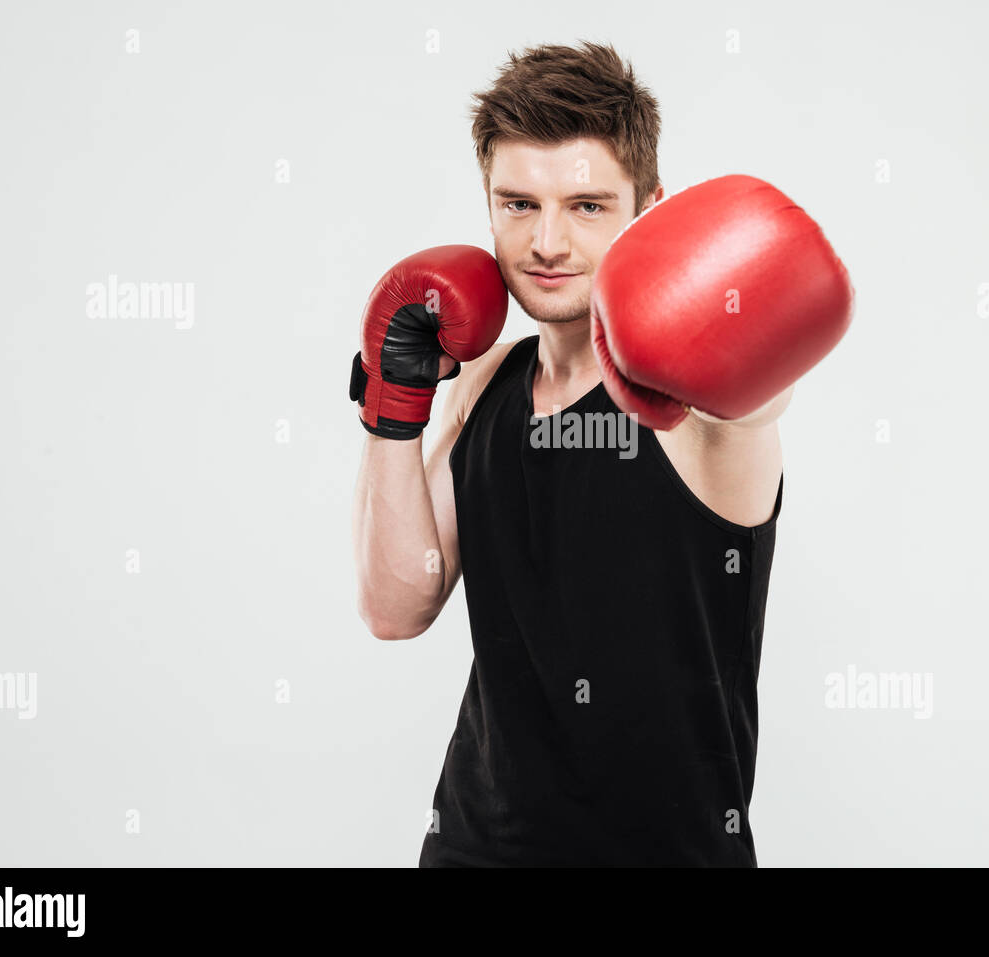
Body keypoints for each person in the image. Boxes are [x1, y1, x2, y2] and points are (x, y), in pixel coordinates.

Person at [348, 41, 851, 867]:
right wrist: (392, 408)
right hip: (475, 848)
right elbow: (396, 607)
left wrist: (739, 323)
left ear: (649, 209)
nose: (547, 241)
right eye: (518, 204)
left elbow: (760, 400)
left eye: (586, 206)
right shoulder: (484, 380)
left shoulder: (700, 405)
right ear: (488, 207)